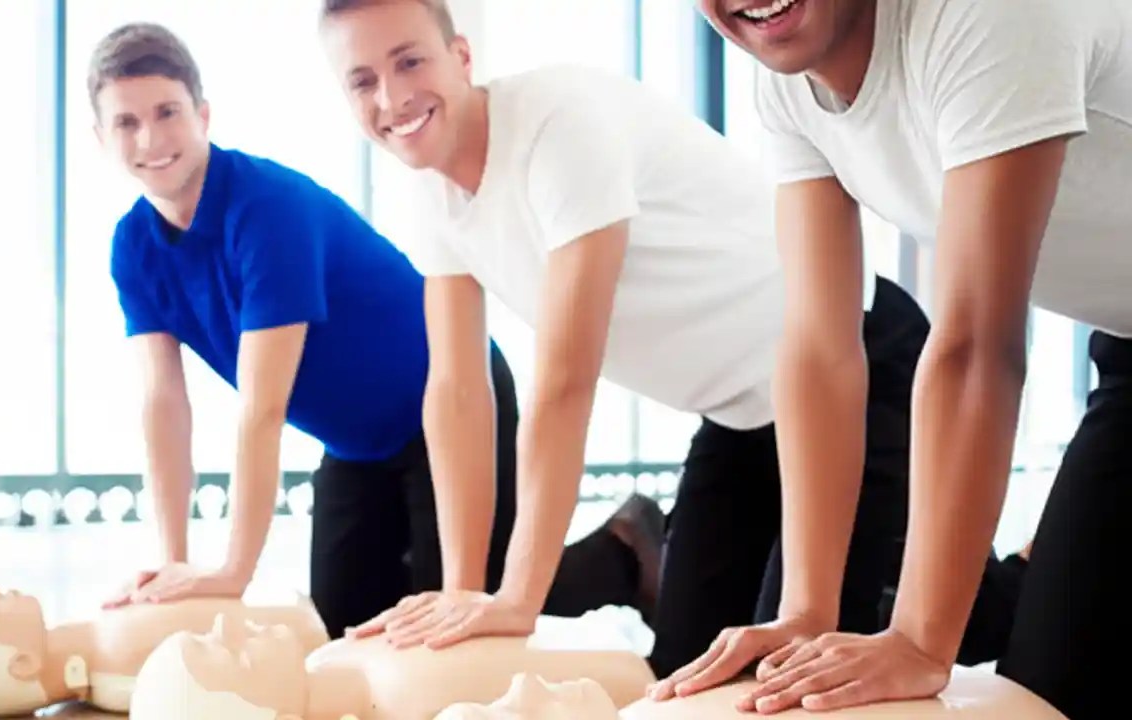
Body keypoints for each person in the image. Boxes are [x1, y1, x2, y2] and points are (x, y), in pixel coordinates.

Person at [313, 0, 987, 681]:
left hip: (864, 369)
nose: (393, 96)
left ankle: (1030, 578)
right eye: (362, 80)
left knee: (843, 656)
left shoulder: (556, 123)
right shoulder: (433, 193)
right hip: (741, 420)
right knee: (685, 668)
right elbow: (457, 391)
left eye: (409, 61)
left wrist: (520, 596)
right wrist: (464, 587)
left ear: (460, 56)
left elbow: (564, 384)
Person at [85, 21, 663, 642]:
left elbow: (262, 407)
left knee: (477, 598)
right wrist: (173, 561)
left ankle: (626, 552)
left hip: (446, 403)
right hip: (356, 443)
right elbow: (163, 403)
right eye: (126, 122)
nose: (151, 137)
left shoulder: (264, 210)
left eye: (167, 112)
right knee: (348, 628)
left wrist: (232, 571)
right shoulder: (133, 245)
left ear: (202, 114)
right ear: (101, 137)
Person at [665, 1, 1131, 717]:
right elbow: (821, 347)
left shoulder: (985, 16)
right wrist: (807, 608)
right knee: (1050, 687)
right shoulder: (789, 85)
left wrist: (919, 639)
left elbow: (977, 344)